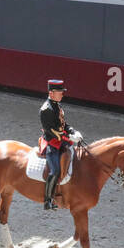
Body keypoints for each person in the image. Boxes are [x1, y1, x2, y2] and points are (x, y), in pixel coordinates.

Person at [39, 78, 80, 210]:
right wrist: (68, 138)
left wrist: (73, 131)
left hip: (61, 140)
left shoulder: (57, 105)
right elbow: (51, 131)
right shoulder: (46, 109)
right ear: (51, 93)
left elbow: (64, 124)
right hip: (52, 143)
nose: (62, 94)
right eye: (59, 92)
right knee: (55, 170)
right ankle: (47, 200)